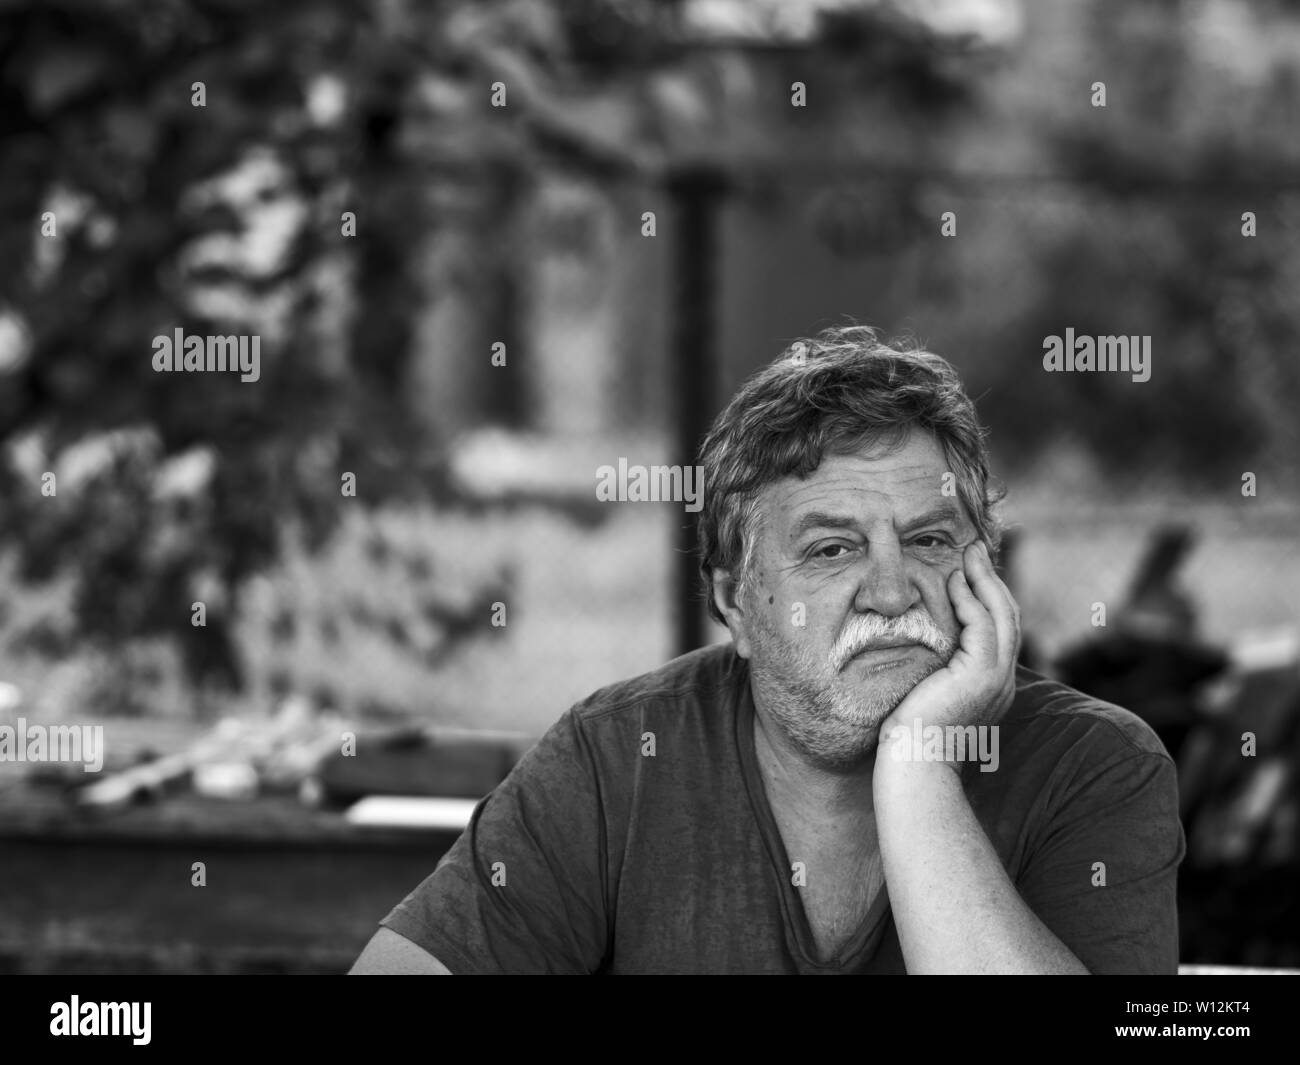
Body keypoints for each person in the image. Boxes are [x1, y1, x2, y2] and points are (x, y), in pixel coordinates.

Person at [350, 324, 1183, 974]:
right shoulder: (616, 761)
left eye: (929, 540)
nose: (893, 591)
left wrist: (920, 765)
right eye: (832, 549)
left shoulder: (1097, 764)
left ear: (983, 568)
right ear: (734, 603)